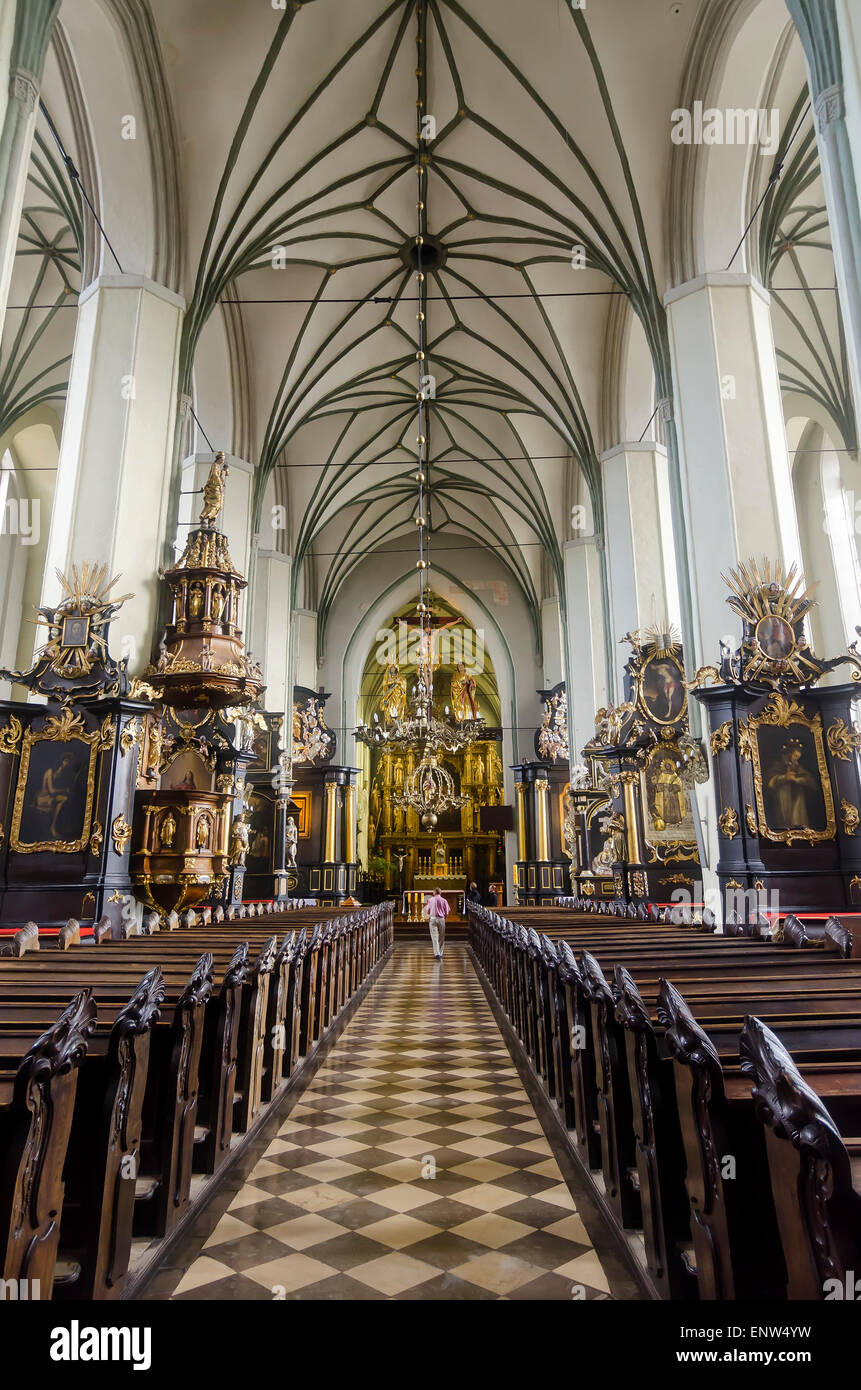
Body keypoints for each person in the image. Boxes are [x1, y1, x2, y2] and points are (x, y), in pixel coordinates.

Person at [422, 889, 450, 959]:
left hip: (433, 919)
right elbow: (447, 912)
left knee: (434, 937)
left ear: (434, 893)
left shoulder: (430, 900)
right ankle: (440, 952)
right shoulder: (444, 900)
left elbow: (427, 911)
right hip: (441, 919)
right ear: (440, 893)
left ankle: (437, 954)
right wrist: (444, 918)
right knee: (441, 937)